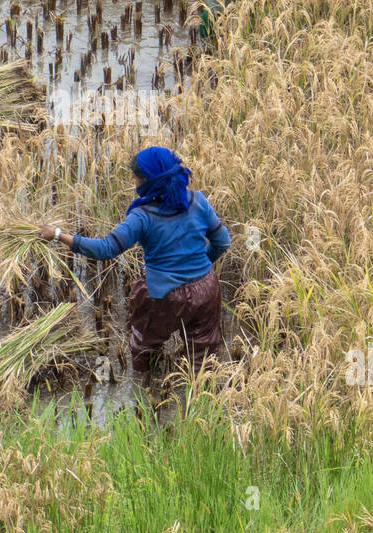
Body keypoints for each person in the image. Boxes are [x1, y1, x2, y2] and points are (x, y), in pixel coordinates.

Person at [39, 147, 232, 379]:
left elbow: (105, 249)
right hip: (206, 291)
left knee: (145, 345)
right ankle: (201, 399)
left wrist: (59, 235)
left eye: (136, 177)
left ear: (147, 181)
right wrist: (198, 271)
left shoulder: (142, 217)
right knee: (203, 352)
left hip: (164, 296)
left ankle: (146, 393)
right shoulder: (198, 201)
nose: (134, 182)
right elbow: (222, 242)